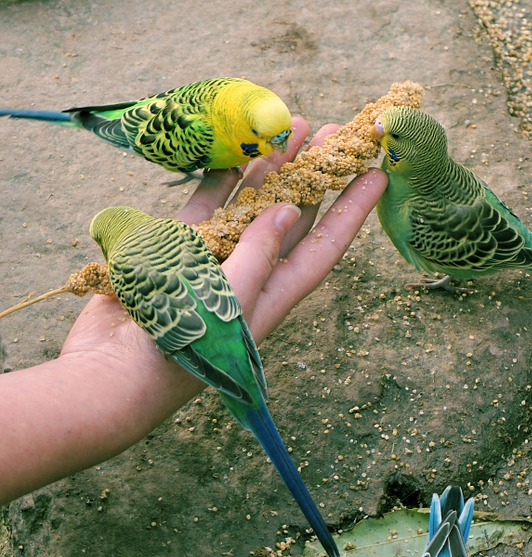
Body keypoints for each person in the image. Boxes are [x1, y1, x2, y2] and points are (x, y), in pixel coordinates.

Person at [0, 117, 387, 504]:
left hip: (203, 344)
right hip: (224, 318)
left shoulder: (123, 271)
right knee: (251, 401)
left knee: (247, 401)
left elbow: (171, 333)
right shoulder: (178, 233)